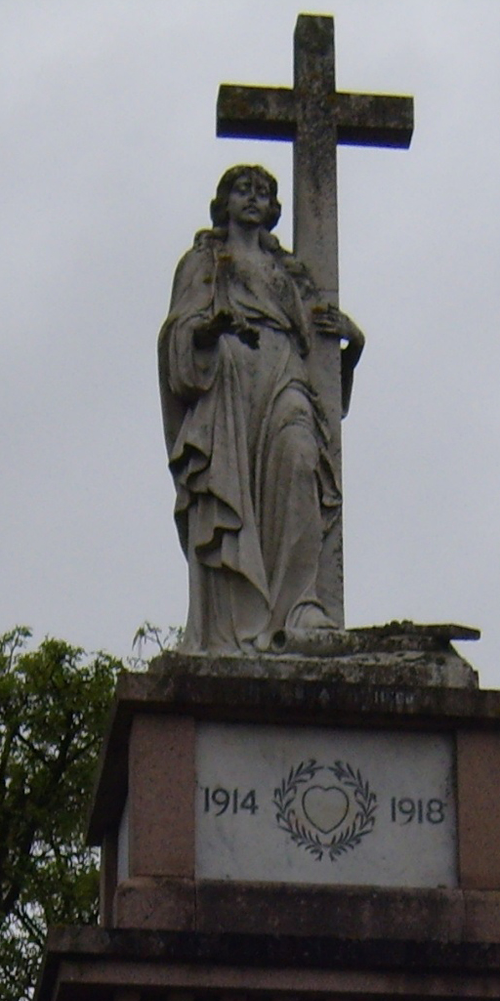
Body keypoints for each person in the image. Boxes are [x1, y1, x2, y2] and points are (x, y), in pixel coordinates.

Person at [159, 164, 363, 653]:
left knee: (300, 460)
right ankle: (235, 620)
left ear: (274, 208)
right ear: (223, 201)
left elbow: (323, 355)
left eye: (263, 192)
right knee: (234, 494)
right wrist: (210, 331)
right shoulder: (205, 260)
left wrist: (352, 346)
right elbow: (177, 333)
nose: (253, 198)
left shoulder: (290, 273)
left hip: (284, 374)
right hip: (228, 381)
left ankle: (299, 608)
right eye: (242, 189)